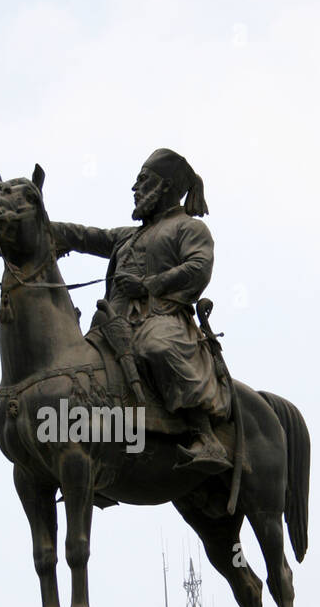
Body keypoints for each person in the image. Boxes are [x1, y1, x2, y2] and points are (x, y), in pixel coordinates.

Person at [50, 148, 231, 473]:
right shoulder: (128, 237)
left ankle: (206, 437)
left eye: (142, 181)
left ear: (163, 187)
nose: (135, 189)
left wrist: (149, 285)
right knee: (81, 364)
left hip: (160, 319)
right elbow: (86, 236)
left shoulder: (188, 228)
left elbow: (198, 267)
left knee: (157, 347)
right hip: (113, 323)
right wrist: (40, 226)